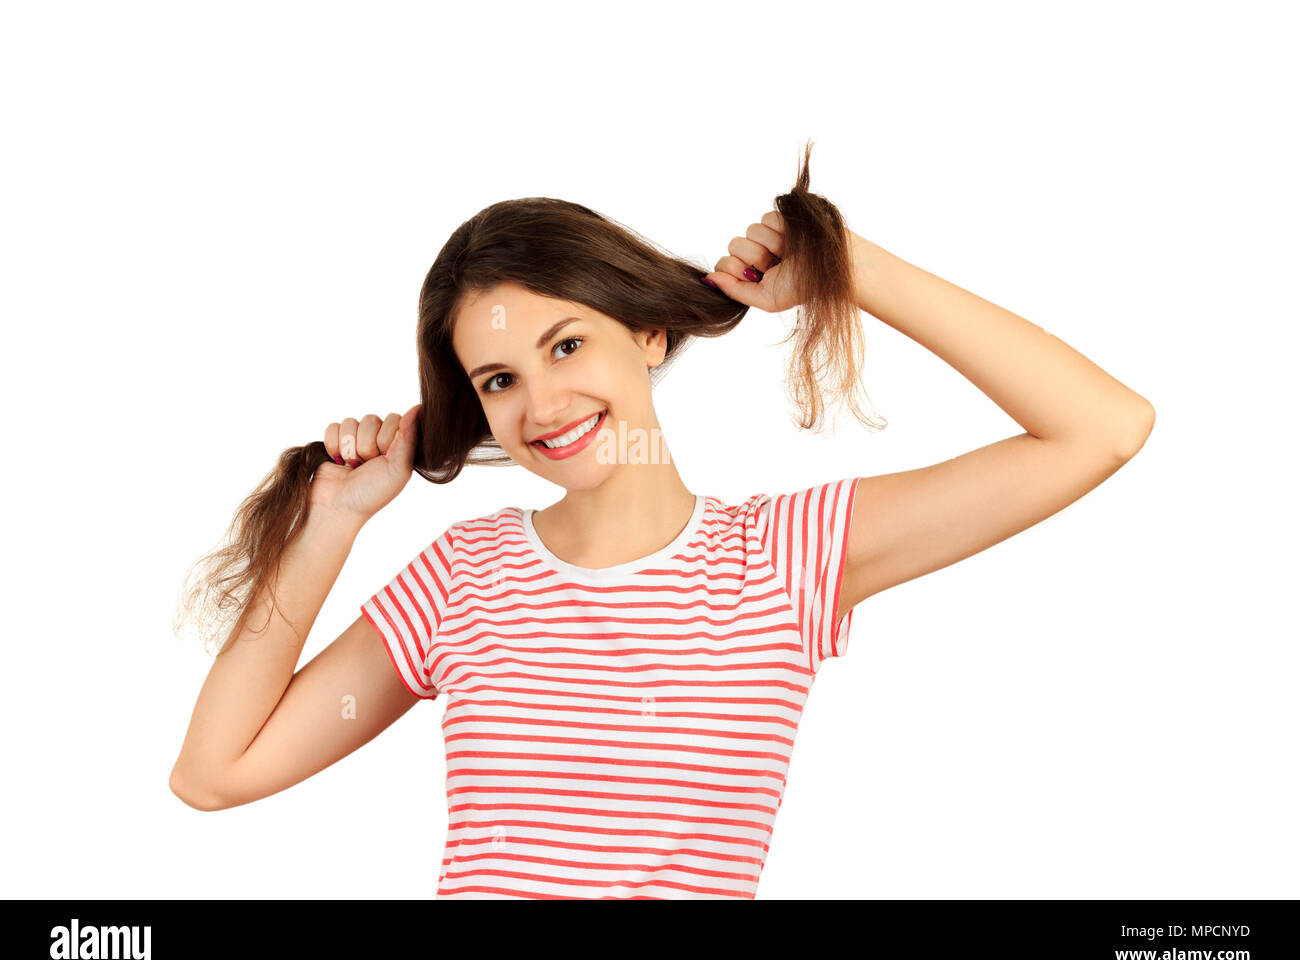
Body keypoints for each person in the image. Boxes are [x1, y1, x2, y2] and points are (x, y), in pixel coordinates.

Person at [169, 141, 1155, 898]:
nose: (542, 405)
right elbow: (214, 772)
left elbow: (1101, 428)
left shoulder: (785, 557)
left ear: (647, 331)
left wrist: (850, 268)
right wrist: (332, 521)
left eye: (566, 345)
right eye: (500, 379)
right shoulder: (464, 572)